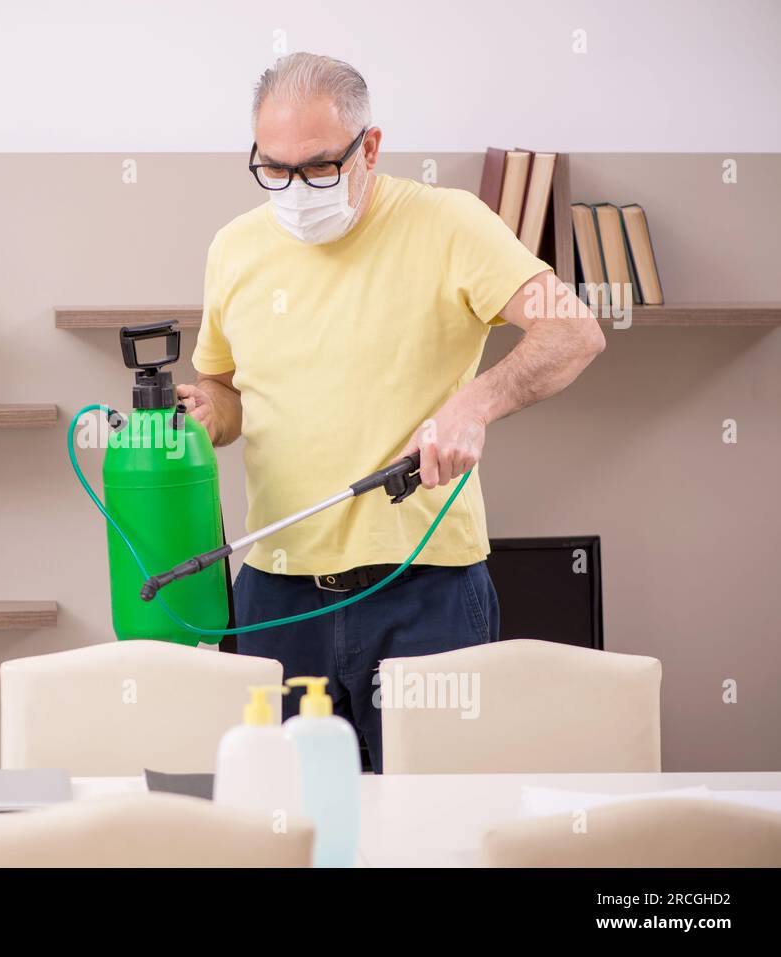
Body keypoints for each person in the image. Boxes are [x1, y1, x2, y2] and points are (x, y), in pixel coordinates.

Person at [177, 52, 605, 770]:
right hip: (277, 594)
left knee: (440, 825)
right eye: (273, 169)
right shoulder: (235, 247)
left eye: (318, 167)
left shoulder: (450, 224)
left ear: (369, 148)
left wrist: (475, 404)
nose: (294, 189)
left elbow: (574, 328)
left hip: (424, 590)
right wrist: (200, 414)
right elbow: (224, 391)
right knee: (284, 822)